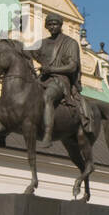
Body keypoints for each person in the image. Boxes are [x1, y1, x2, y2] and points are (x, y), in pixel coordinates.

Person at [33, 15, 91, 145]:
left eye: (55, 24)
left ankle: (48, 134)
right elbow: (28, 52)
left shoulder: (70, 43)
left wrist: (51, 69)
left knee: (47, 96)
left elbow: (72, 66)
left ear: (60, 25)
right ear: (46, 26)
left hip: (60, 79)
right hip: (43, 78)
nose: (52, 27)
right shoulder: (42, 43)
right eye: (50, 24)